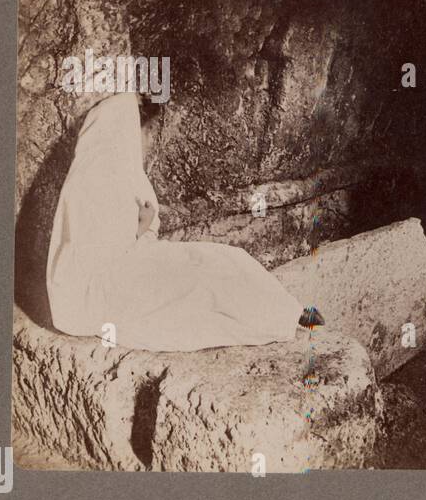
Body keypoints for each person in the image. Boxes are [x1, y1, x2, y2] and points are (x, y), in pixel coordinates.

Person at [46, 92, 319, 351]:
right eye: (141, 132)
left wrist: (143, 229)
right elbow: (97, 263)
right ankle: (280, 317)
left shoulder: (121, 174)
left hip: (131, 269)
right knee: (201, 284)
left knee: (224, 258)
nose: (144, 142)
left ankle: (289, 311)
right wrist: (142, 231)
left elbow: (132, 240)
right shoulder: (87, 187)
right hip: (102, 294)